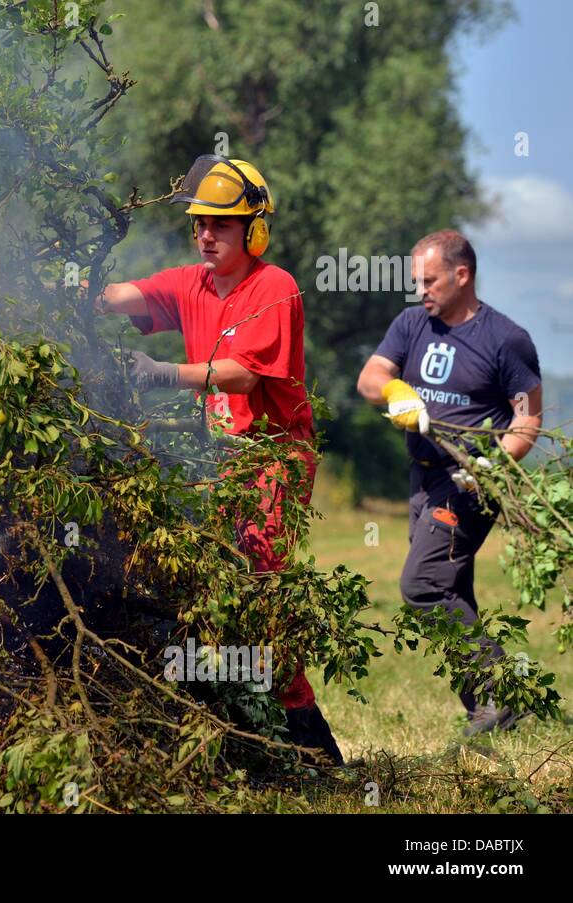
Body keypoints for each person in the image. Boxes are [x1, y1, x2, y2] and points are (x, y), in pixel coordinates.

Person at [95, 155, 343, 764]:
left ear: (253, 230)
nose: (207, 235)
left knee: (258, 579)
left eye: (222, 225)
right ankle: (243, 728)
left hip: (274, 456)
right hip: (222, 459)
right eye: (201, 224)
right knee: (207, 580)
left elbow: (243, 376)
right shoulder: (191, 283)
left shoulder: (275, 287)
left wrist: (163, 374)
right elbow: (122, 297)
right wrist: (66, 290)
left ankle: (310, 741)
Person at [356, 229, 542, 737]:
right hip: (422, 476)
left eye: (430, 280)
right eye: (417, 281)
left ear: (462, 275)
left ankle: (504, 690)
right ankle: (487, 707)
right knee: (451, 588)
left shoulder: (507, 340)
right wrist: (393, 391)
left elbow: (527, 422)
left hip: (469, 484)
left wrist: (487, 468)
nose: (422, 291)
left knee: (422, 586)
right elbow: (369, 376)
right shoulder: (412, 322)